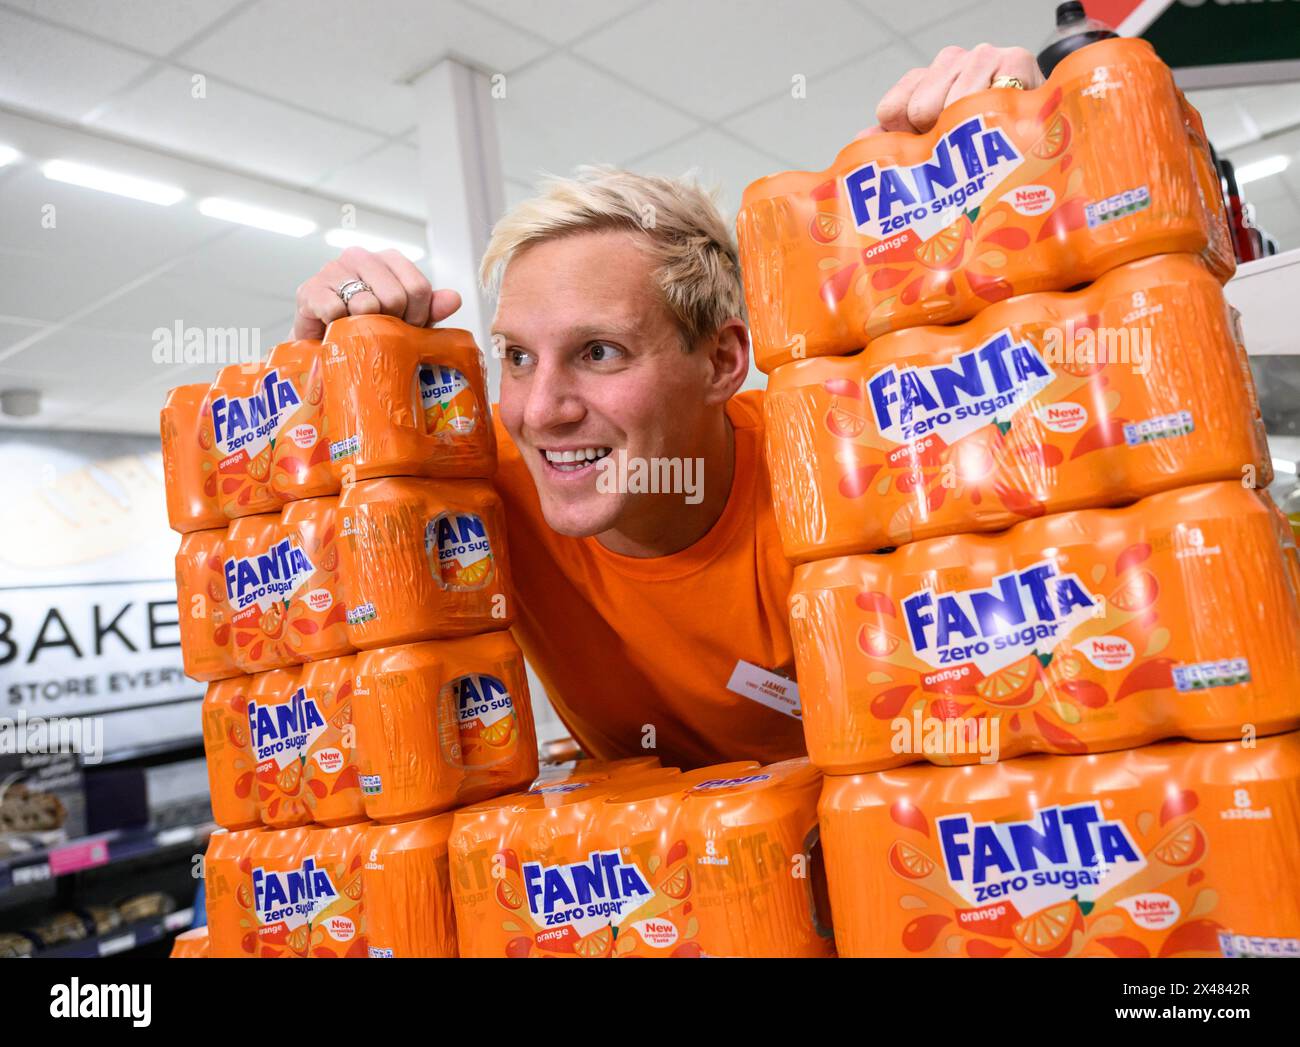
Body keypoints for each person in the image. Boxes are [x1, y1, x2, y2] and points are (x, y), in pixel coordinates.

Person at [291, 45, 1045, 769]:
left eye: (599, 353)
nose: (541, 410)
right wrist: (325, 372)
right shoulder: (473, 492)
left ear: (722, 362)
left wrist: (1028, 143)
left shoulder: (843, 468)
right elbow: (309, 556)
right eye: (517, 356)